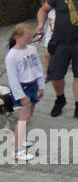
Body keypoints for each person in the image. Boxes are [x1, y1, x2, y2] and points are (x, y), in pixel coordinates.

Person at [6, 24, 44, 162]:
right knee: (24, 118)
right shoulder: (12, 55)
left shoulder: (32, 49)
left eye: (31, 36)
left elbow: (38, 67)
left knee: (29, 116)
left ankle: (20, 140)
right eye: (27, 37)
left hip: (33, 85)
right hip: (22, 88)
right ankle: (17, 151)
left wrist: (41, 85)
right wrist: (21, 96)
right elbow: (13, 78)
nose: (30, 39)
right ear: (17, 37)